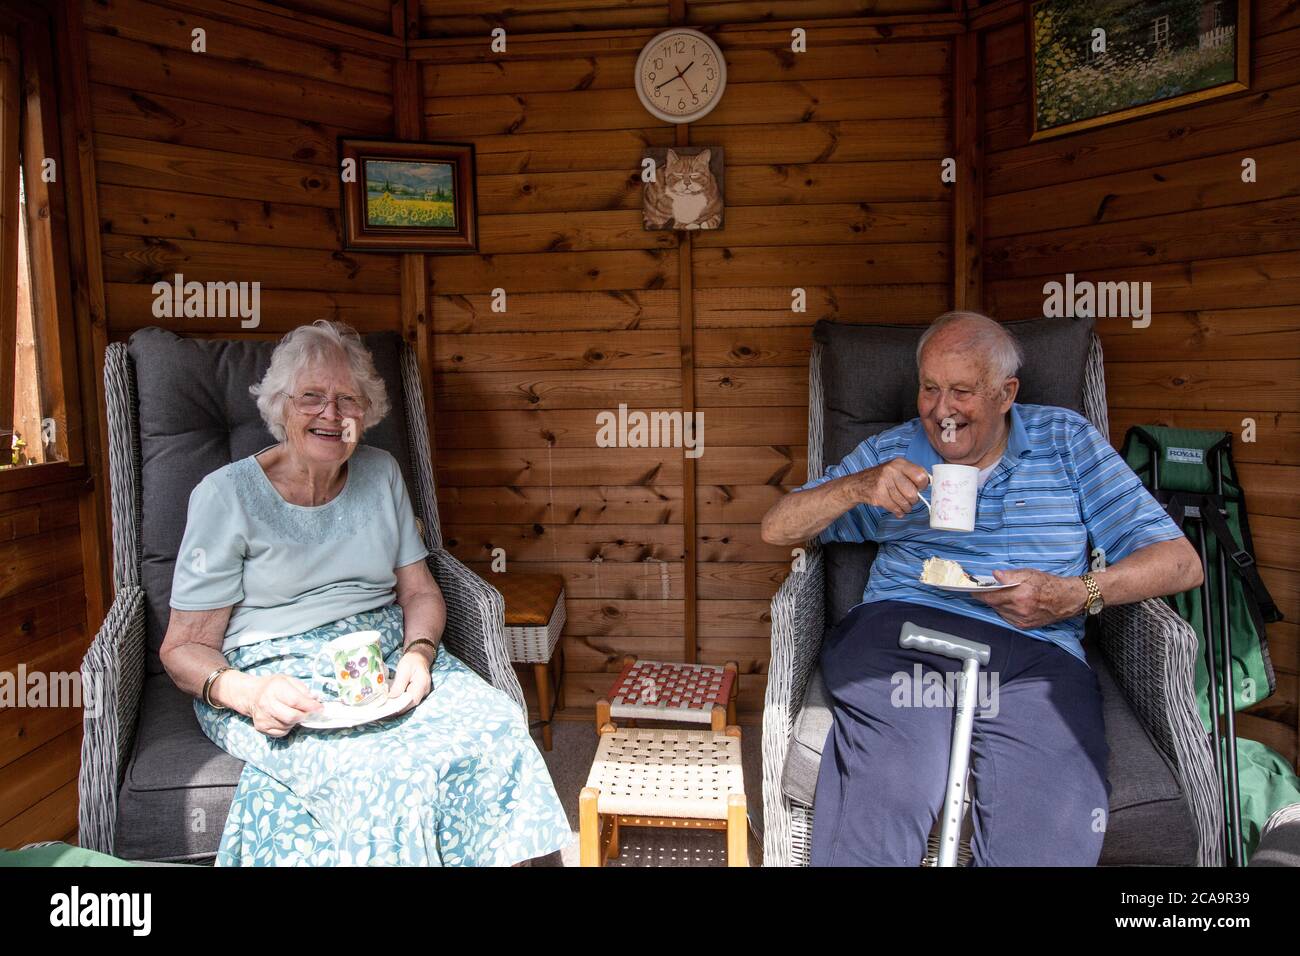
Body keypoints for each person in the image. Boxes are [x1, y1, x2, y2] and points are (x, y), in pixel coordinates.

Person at [760, 311, 1203, 866]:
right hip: (903, 633)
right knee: (893, 780)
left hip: (1036, 649)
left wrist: (1076, 593)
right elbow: (777, 527)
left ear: (1005, 393)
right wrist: (858, 486)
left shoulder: (1066, 441)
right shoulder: (893, 453)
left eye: (962, 391)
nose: (941, 410)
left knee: (1046, 820)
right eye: (929, 388)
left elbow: (1181, 563)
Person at [160, 320, 571, 866]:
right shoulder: (225, 496)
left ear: (366, 414)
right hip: (273, 672)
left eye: (347, 400)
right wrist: (248, 694)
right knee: (378, 779)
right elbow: (183, 648)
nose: (330, 414)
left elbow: (421, 592)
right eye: (311, 397)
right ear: (281, 407)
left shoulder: (381, 473)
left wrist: (420, 655)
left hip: (380, 655)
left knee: (496, 725)